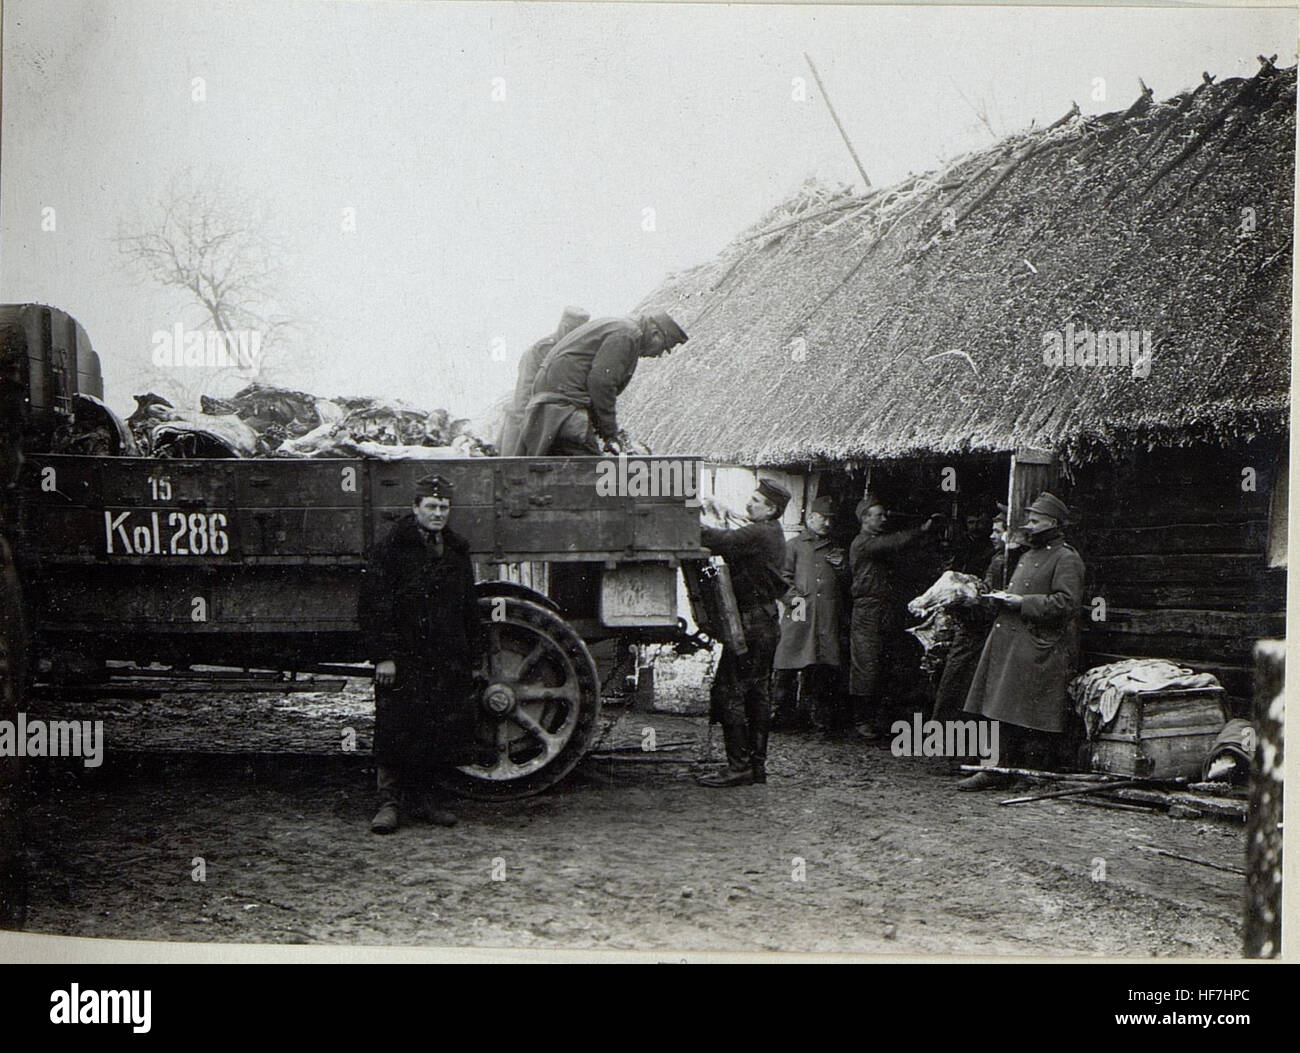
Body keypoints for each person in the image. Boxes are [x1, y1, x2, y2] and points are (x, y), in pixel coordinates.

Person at [357, 474, 485, 833]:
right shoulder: (391, 548)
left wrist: (471, 657)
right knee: (395, 728)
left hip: (444, 658)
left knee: (436, 728)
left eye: (443, 507)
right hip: (403, 659)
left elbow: (468, 607)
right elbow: (372, 605)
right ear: (415, 508)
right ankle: (389, 804)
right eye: (431, 507)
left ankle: (426, 801)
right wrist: (383, 655)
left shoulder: (457, 550)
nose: (438, 513)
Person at [958, 492, 1085, 790]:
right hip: (1009, 642)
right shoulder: (1028, 555)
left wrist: (1022, 602)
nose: (1028, 526)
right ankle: (994, 769)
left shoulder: (1066, 558)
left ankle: (1027, 774)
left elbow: (1067, 604)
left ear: (1052, 523)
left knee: (1029, 713)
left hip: (1036, 645)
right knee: (997, 707)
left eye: (1034, 521)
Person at [696, 479, 791, 787]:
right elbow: (729, 550)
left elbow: (717, 539)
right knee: (756, 693)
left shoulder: (758, 533)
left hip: (750, 627)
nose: (748, 505)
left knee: (729, 692)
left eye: (755, 501)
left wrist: (686, 513)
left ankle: (739, 767)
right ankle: (756, 767)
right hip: (764, 623)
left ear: (771, 509)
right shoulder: (771, 532)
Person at [517, 310, 687, 456]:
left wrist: (608, 432)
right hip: (564, 411)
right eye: (664, 347)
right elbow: (601, 383)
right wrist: (610, 433)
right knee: (594, 476)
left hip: (554, 409)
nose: (659, 354)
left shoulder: (618, 327)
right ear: (655, 333)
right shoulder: (628, 334)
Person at [848, 496, 943, 742]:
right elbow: (892, 543)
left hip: (883, 608)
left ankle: (876, 718)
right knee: (866, 664)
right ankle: (861, 720)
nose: (883, 519)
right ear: (864, 518)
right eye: (878, 515)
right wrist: (920, 530)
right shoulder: (863, 543)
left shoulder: (876, 543)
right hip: (867, 608)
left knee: (882, 663)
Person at [772, 495, 849, 731]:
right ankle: (779, 712)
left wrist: (842, 568)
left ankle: (815, 715)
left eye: (831, 520)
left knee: (820, 664)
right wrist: (795, 600)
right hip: (799, 611)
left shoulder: (836, 548)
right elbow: (781, 578)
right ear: (811, 517)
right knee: (788, 658)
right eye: (823, 518)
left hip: (825, 613)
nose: (827, 524)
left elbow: (848, 583)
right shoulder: (794, 545)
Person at [497, 306, 590, 457]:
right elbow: (524, 395)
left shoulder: (579, 353)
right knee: (516, 473)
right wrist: (529, 434)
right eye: (574, 330)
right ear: (565, 326)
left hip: (553, 427)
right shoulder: (539, 351)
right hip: (524, 425)